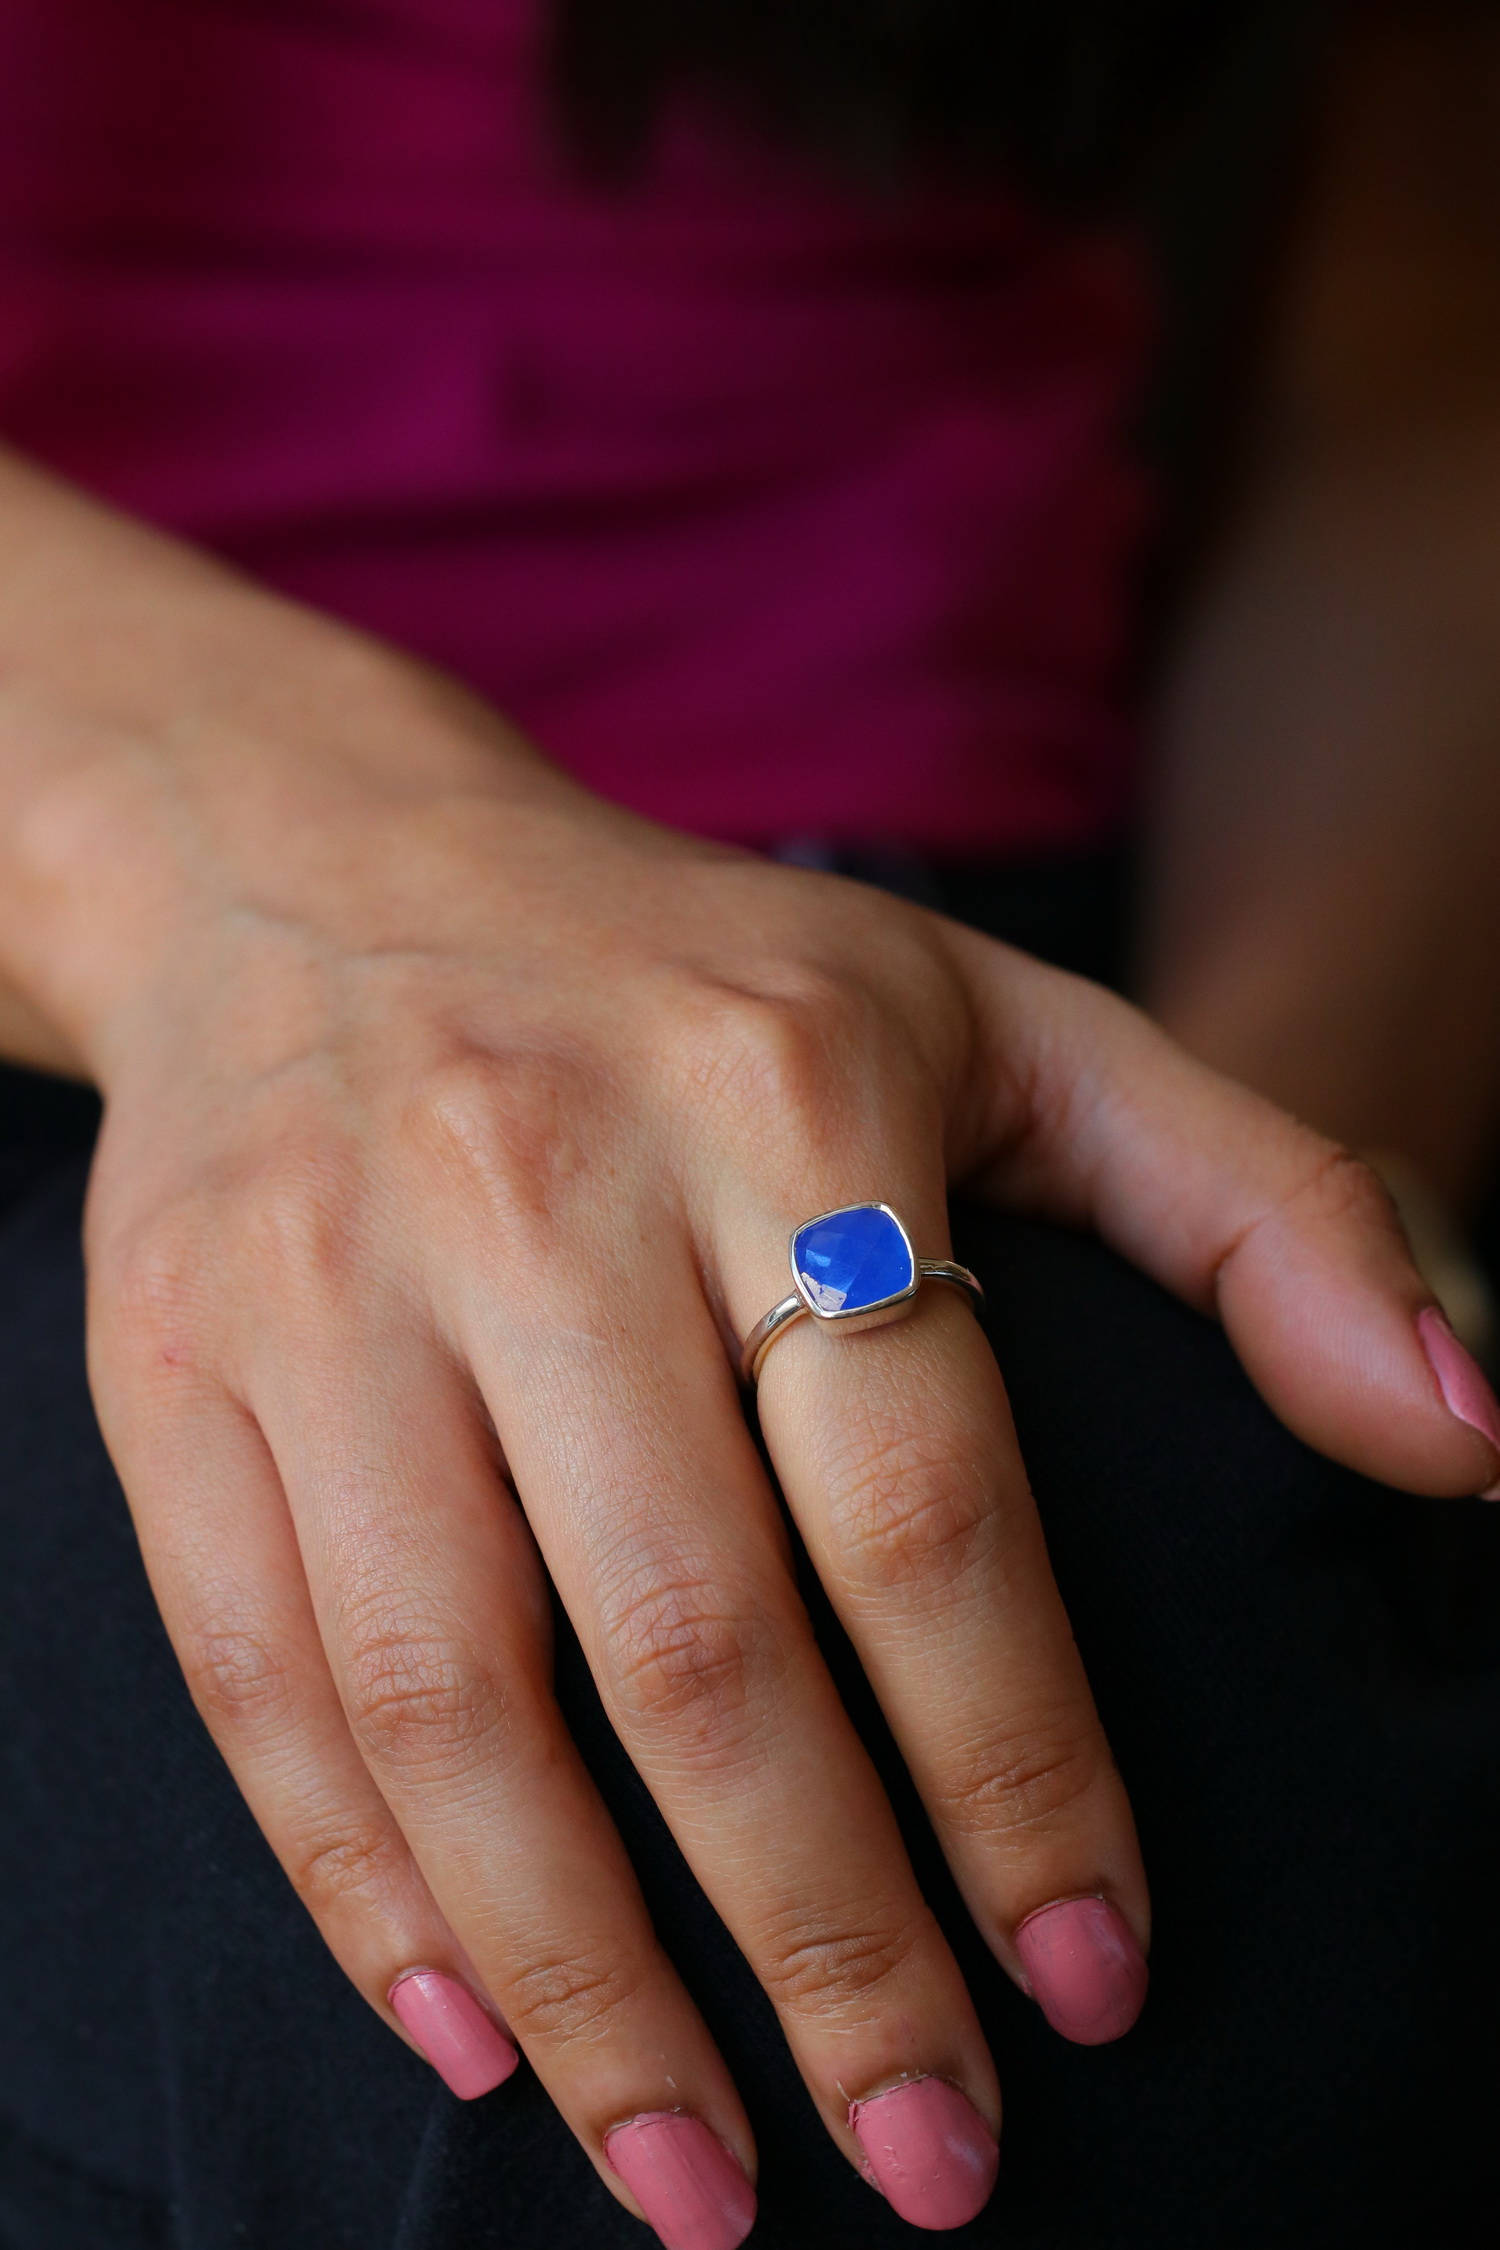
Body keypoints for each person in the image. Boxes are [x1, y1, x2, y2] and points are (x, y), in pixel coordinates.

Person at [1, 4, 1497, 2246]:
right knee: (583, 1927)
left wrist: (1267, 1203)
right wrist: (252, 864)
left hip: (997, 961)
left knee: (1134, 1679)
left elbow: (1429, 332)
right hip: (84, 907)